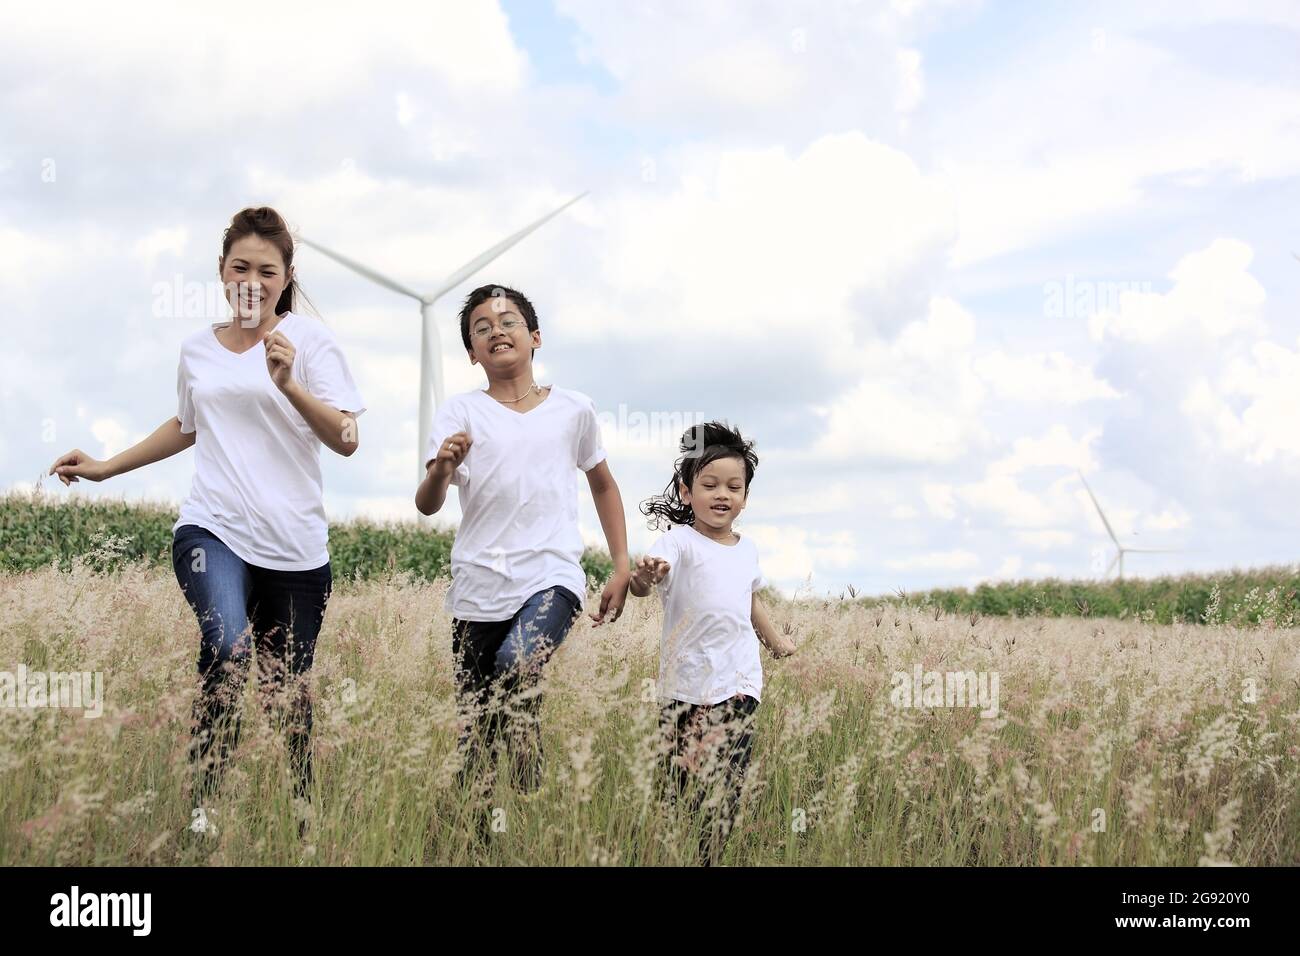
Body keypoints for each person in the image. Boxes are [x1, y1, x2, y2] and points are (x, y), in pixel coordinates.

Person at [49, 206, 365, 827]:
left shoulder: (311, 343)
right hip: (212, 527)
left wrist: (289, 383)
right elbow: (186, 426)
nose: (252, 279)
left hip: (295, 547)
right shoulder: (197, 349)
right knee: (227, 648)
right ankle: (204, 809)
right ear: (222, 272)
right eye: (239, 266)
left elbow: (348, 438)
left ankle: (302, 811)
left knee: (285, 692)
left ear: (286, 276)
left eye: (266, 270)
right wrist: (106, 467)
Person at [415, 283, 631, 796]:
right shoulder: (460, 414)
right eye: (481, 328)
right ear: (471, 352)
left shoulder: (574, 409)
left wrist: (621, 565)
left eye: (508, 321)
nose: (496, 331)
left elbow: (602, 483)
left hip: (551, 576)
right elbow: (427, 503)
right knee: (477, 734)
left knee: (516, 664)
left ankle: (523, 783)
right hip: (477, 587)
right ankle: (505, 817)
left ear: (535, 337)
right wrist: (443, 468)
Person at [631, 421, 795, 865]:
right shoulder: (679, 541)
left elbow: (751, 601)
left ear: (744, 497)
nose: (722, 494)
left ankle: (711, 855)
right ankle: (673, 851)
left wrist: (776, 642)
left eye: (733, 487)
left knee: (728, 780)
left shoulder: (747, 549)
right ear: (687, 492)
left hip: (740, 682)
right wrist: (645, 577)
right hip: (683, 685)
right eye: (710, 485)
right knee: (679, 785)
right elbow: (644, 582)